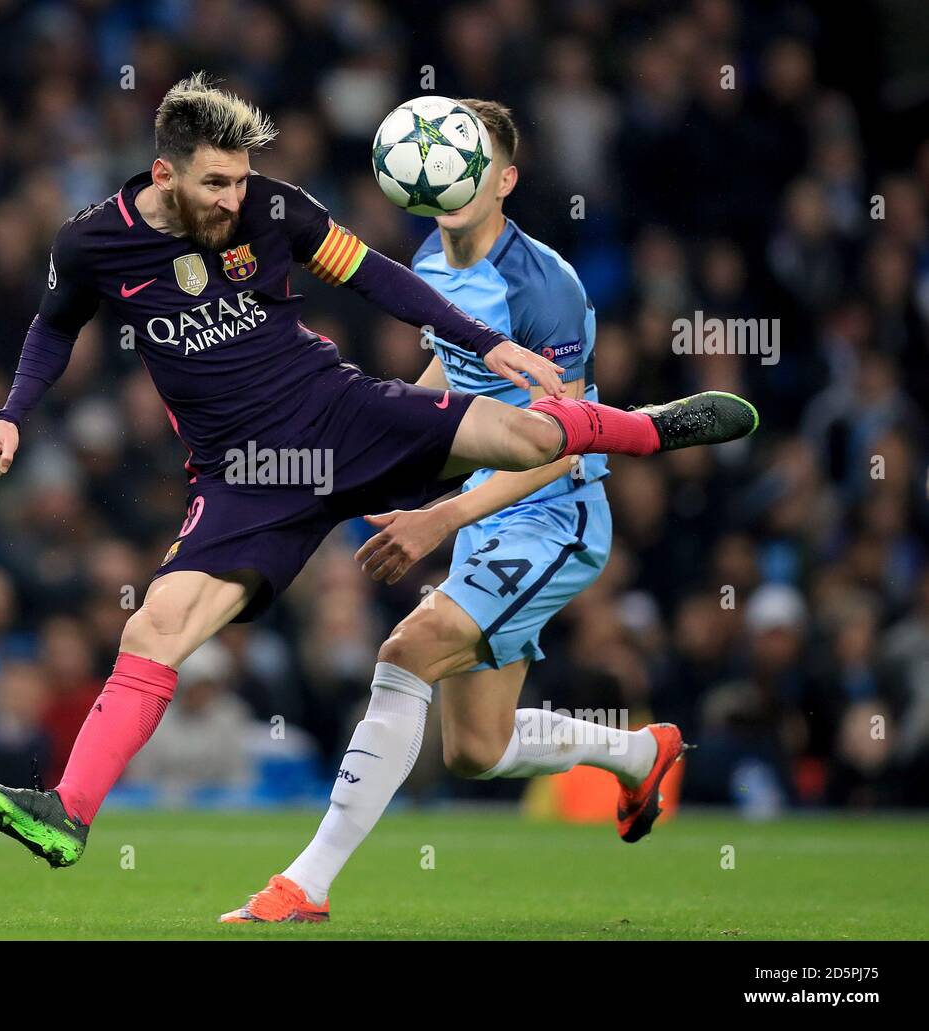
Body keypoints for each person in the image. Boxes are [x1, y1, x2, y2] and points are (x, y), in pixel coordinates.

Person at [0, 75, 756, 870]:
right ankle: (67, 813)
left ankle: (646, 430)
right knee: (153, 627)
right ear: (163, 174)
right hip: (245, 475)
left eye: (241, 178)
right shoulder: (92, 242)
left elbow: (376, 275)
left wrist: (484, 345)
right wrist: (11, 416)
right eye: (216, 182)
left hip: (336, 413)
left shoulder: (275, 207)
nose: (235, 197)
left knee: (522, 437)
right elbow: (52, 330)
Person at [222, 100, 692, 923]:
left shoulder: (543, 284)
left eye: (474, 161)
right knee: (476, 748)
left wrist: (439, 516)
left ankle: (307, 881)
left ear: (502, 178)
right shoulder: (428, 265)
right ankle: (636, 751)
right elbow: (457, 392)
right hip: (484, 511)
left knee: (406, 649)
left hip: (553, 513)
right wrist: (381, 454)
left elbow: (566, 441)